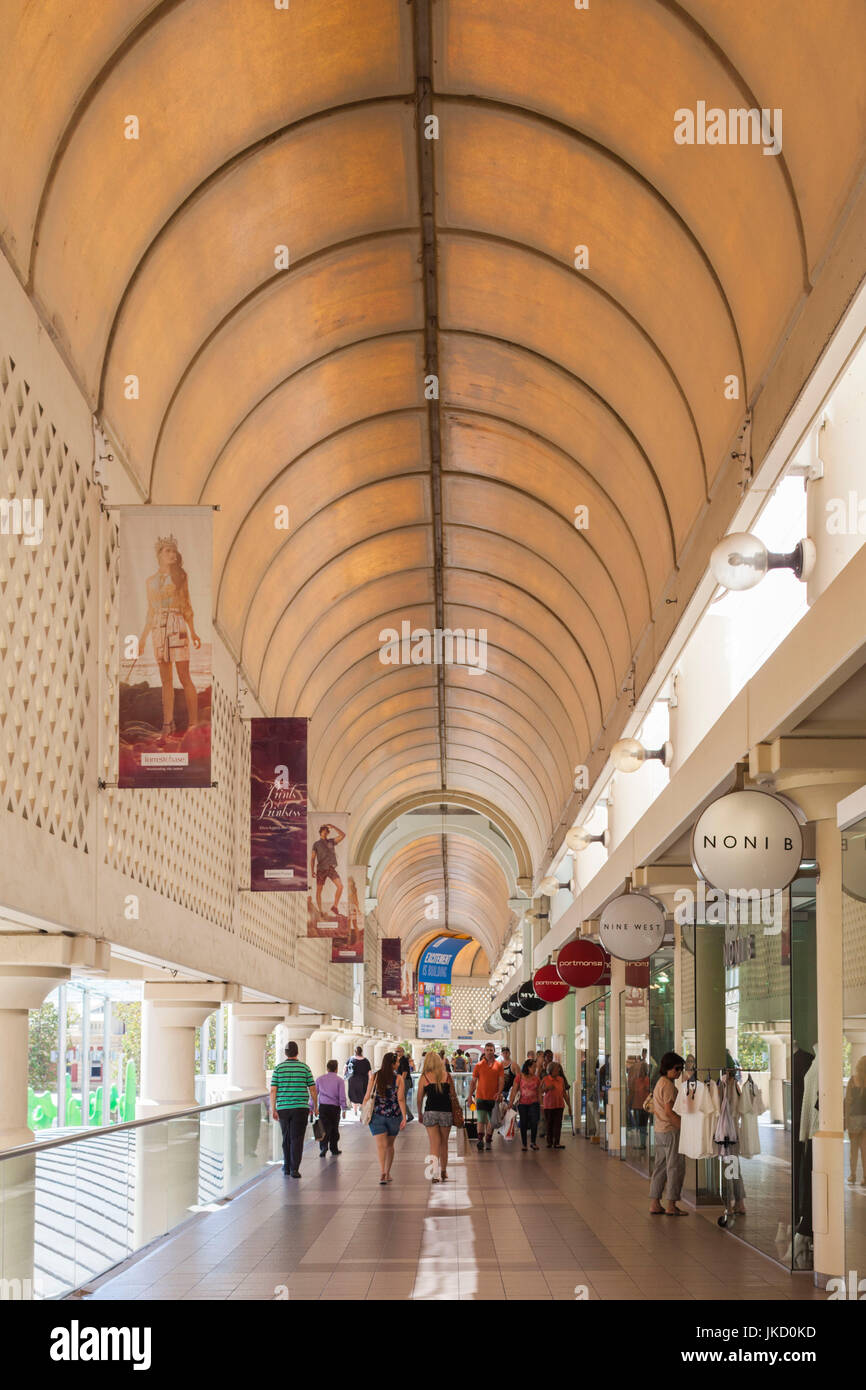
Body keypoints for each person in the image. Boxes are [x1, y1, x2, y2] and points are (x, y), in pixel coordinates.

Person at [137, 534, 202, 740]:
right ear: (159, 554)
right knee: (166, 680)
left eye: (174, 551)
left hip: (176, 623)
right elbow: (150, 611)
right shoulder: (150, 582)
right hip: (158, 627)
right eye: (168, 551)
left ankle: (193, 724)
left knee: (184, 677)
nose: (172, 554)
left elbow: (186, 605)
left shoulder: (180, 577)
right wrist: (142, 638)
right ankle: (168, 724)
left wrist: (193, 632)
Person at [270, 1041, 317, 1178]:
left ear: (285, 1053)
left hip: (283, 1108)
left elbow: (273, 1090)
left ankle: (286, 1166)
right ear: (297, 1052)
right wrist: (315, 1106)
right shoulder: (305, 1068)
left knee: (286, 1138)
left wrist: (273, 1109)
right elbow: (312, 1089)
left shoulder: (278, 1069)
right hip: (301, 1108)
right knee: (297, 1138)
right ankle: (294, 1169)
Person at [648, 1052, 687, 1215]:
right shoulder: (669, 1086)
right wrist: (683, 1130)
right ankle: (671, 1205)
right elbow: (670, 1112)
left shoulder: (660, 1083)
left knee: (660, 1167)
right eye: (677, 1068)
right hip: (671, 1131)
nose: (679, 1072)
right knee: (675, 1168)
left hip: (659, 1130)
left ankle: (655, 1203)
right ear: (668, 1068)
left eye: (681, 1069)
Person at [363, 1051, 406, 1184]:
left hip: (376, 1116)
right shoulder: (398, 1079)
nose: (398, 1064)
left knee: (380, 1146)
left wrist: (364, 1110)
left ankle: (382, 1172)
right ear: (393, 1064)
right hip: (394, 1116)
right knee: (390, 1145)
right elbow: (401, 1099)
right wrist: (404, 1117)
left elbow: (367, 1096)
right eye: (397, 1062)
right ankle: (387, 1173)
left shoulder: (375, 1076)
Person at [417, 1050, 455, 1182]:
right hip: (446, 1112)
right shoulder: (447, 1076)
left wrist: (420, 1113)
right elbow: (453, 1095)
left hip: (430, 1112)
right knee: (444, 1143)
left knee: (434, 1144)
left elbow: (419, 1098)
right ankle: (444, 1171)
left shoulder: (424, 1078)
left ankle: (434, 1173)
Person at [469, 1041, 504, 1151]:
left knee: (491, 1121)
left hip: (493, 1098)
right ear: (484, 1052)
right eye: (487, 1050)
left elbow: (501, 1081)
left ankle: (488, 1139)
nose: (489, 1052)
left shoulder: (499, 1065)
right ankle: (480, 1140)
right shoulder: (479, 1066)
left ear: (494, 1051)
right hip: (481, 1097)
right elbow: (473, 1082)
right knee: (481, 1119)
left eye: (491, 1050)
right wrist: (470, 1096)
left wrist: (499, 1092)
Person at [310, 822, 346, 916]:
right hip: (321, 869)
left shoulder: (331, 842)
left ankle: (335, 907)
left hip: (331, 868)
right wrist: (312, 871)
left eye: (327, 831)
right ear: (320, 832)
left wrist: (333, 826)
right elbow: (313, 858)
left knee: (340, 886)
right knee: (319, 890)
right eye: (323, 831)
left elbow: (343, 835)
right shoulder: (316, 844)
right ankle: (321, 910)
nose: (325, 833)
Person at [315, 1058, 347, 1158]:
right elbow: (342, 1096)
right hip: (335, 1108)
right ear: (336, 1069)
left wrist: (312, 1107)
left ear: (327, 1068)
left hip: (323, 1107)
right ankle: (334, 1149)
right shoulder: (340, 1080)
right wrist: (344, 1108)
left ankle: (323, 1147)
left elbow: (314, 1094)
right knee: (334, 1128)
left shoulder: (319, 1079)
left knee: (323, 1127)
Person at [509, 1059, 541, 1150]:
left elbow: (539, 1092)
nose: (535, 1069)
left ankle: (533, 1142)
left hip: (534, 1103)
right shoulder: (519, 1077)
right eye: (533, 1067)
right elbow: (514, 1090)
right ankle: (524, 1144)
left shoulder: (536, 1079)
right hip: (522, 1103)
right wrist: (510, 1103)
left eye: (536, 1067)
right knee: (523, 1122)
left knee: (534, 1122)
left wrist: (541, 1104)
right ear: (528, 1067)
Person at [844, 1055, 866, 1184]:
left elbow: (848, 1102)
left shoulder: (853, 1081)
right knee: (865, 1150)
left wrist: (846, 1120)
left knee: (853, 1149)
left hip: (854, 1118)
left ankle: (853, 1175)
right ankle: (865, 1178)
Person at [541, 1061, 571, 1149]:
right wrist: (547, 1088)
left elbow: (564, 1093)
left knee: (558, 1124)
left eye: (558, 1069)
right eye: (556, 1069)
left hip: (559, 1105)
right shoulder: (545, 1079)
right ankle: (549, 1142)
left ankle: (557, 1142)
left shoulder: (561, 1079)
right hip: (548, 1105)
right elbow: (540, 1091)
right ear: (551, 1070)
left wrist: (569, 1105)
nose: (558, 1071)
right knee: (549, 1124)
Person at [347, 1045, 371, 1118]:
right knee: (362, 1095)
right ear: (361, 1051)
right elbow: (370, 1073)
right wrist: (371, 1081)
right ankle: (361, 1109)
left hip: (353, 1081)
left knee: (353, 1095)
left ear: (355, 1051)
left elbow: (345, 1068)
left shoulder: (351, 1059)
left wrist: (345, 1076)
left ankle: (355, 1111)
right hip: (363, 1081)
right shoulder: (366, 1061)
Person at [395, 1046, 414, 1121]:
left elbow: (405, 1072)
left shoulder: (404, 1060)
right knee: (401, 1099)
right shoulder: (398, 1060)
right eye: (396, 1051)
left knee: (401, 1099)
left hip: (405, 1081)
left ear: (402, 1052)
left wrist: (400, 1083)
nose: (397, 1053)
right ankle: (407, 1116)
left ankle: (406, 1116)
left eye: (398, 1051)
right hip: (402, 1081)